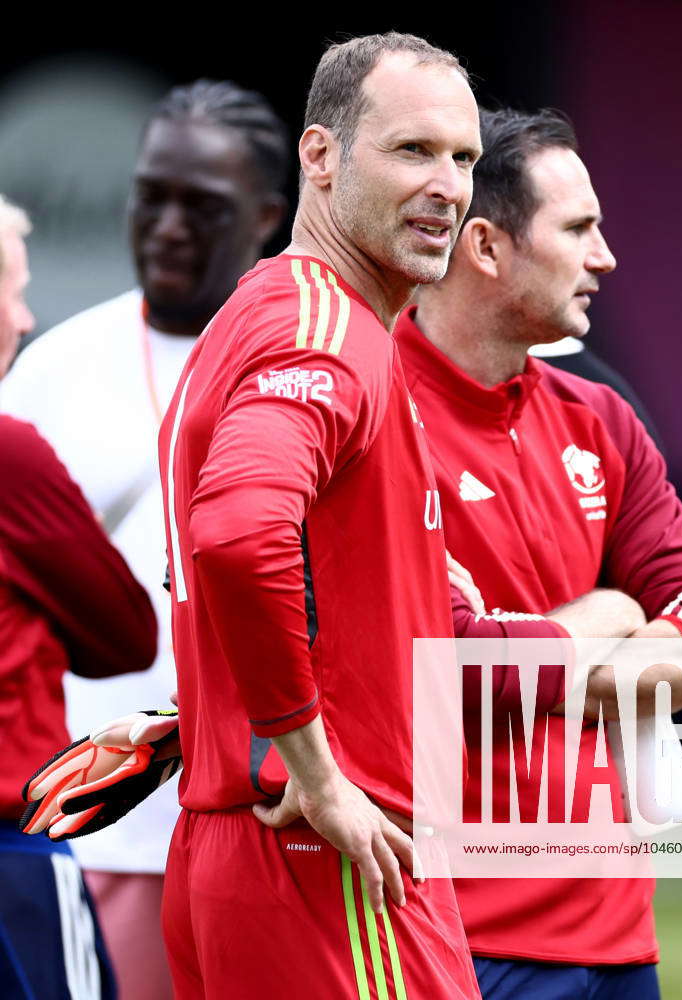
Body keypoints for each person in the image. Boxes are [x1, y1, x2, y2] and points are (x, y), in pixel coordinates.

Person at [157, 33, 483, 999]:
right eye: (413, 151)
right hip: (334, 863)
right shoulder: (325, 331)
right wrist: (312, 761)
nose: (447, 187)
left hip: (264, 848)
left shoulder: (268, 312)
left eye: (463, 159)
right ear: (320, 155)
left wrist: (219, 717)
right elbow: (238, 535)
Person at [394, 107, 682, 999]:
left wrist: (537, 655)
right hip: (456, 932)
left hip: (621, 933)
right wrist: (609, 614)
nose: (605, 257)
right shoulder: (375, 415)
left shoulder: (600, 416)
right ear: (484, 247)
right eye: (579, 228)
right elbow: (442, 666)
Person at [0, 80, 288, 1000]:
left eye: (201, 208)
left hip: (276, 811)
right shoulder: (50, 367)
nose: (166, 227)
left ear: (265, 218)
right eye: (149, 196)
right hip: (97, 815)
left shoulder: (310, 358)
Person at [0, 194, 157, 998]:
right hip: (13, 857)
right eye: (12, 292)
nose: (24, 321)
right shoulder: (11, 453)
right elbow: (129, 636)